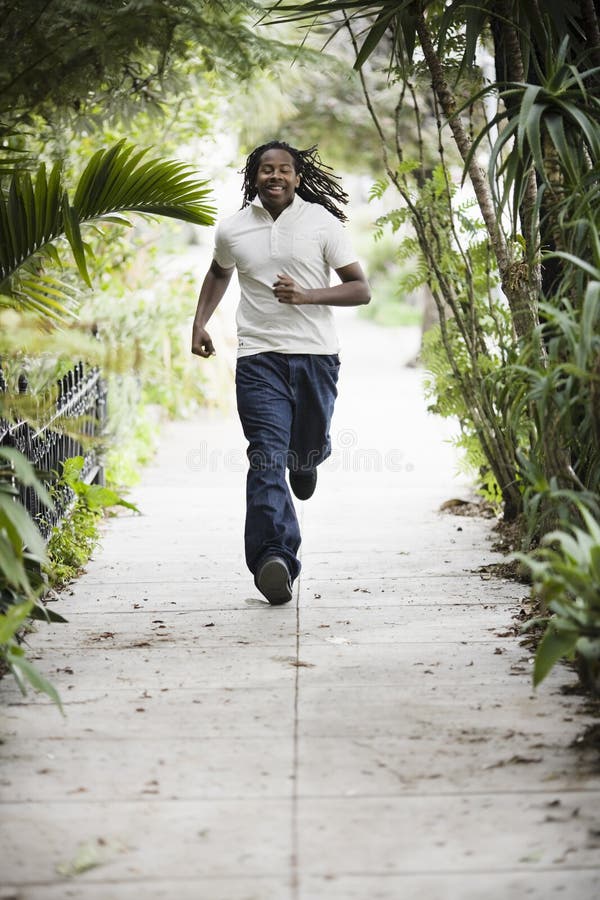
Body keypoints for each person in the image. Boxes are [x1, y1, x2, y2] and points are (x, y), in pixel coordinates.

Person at [191, 140, 370, 605]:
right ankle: (274, 558)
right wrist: (199, 322)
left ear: (297, 176)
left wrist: (308, 295)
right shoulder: (232, 230)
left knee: (302, 447)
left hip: (315, 356)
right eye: (266, 170)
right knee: (266, 455)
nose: (275, 177)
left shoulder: (322, 223)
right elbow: (218, 273)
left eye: (284, 170)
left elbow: (360, 289)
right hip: (259, 357)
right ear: (253, 176)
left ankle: (306, 460)